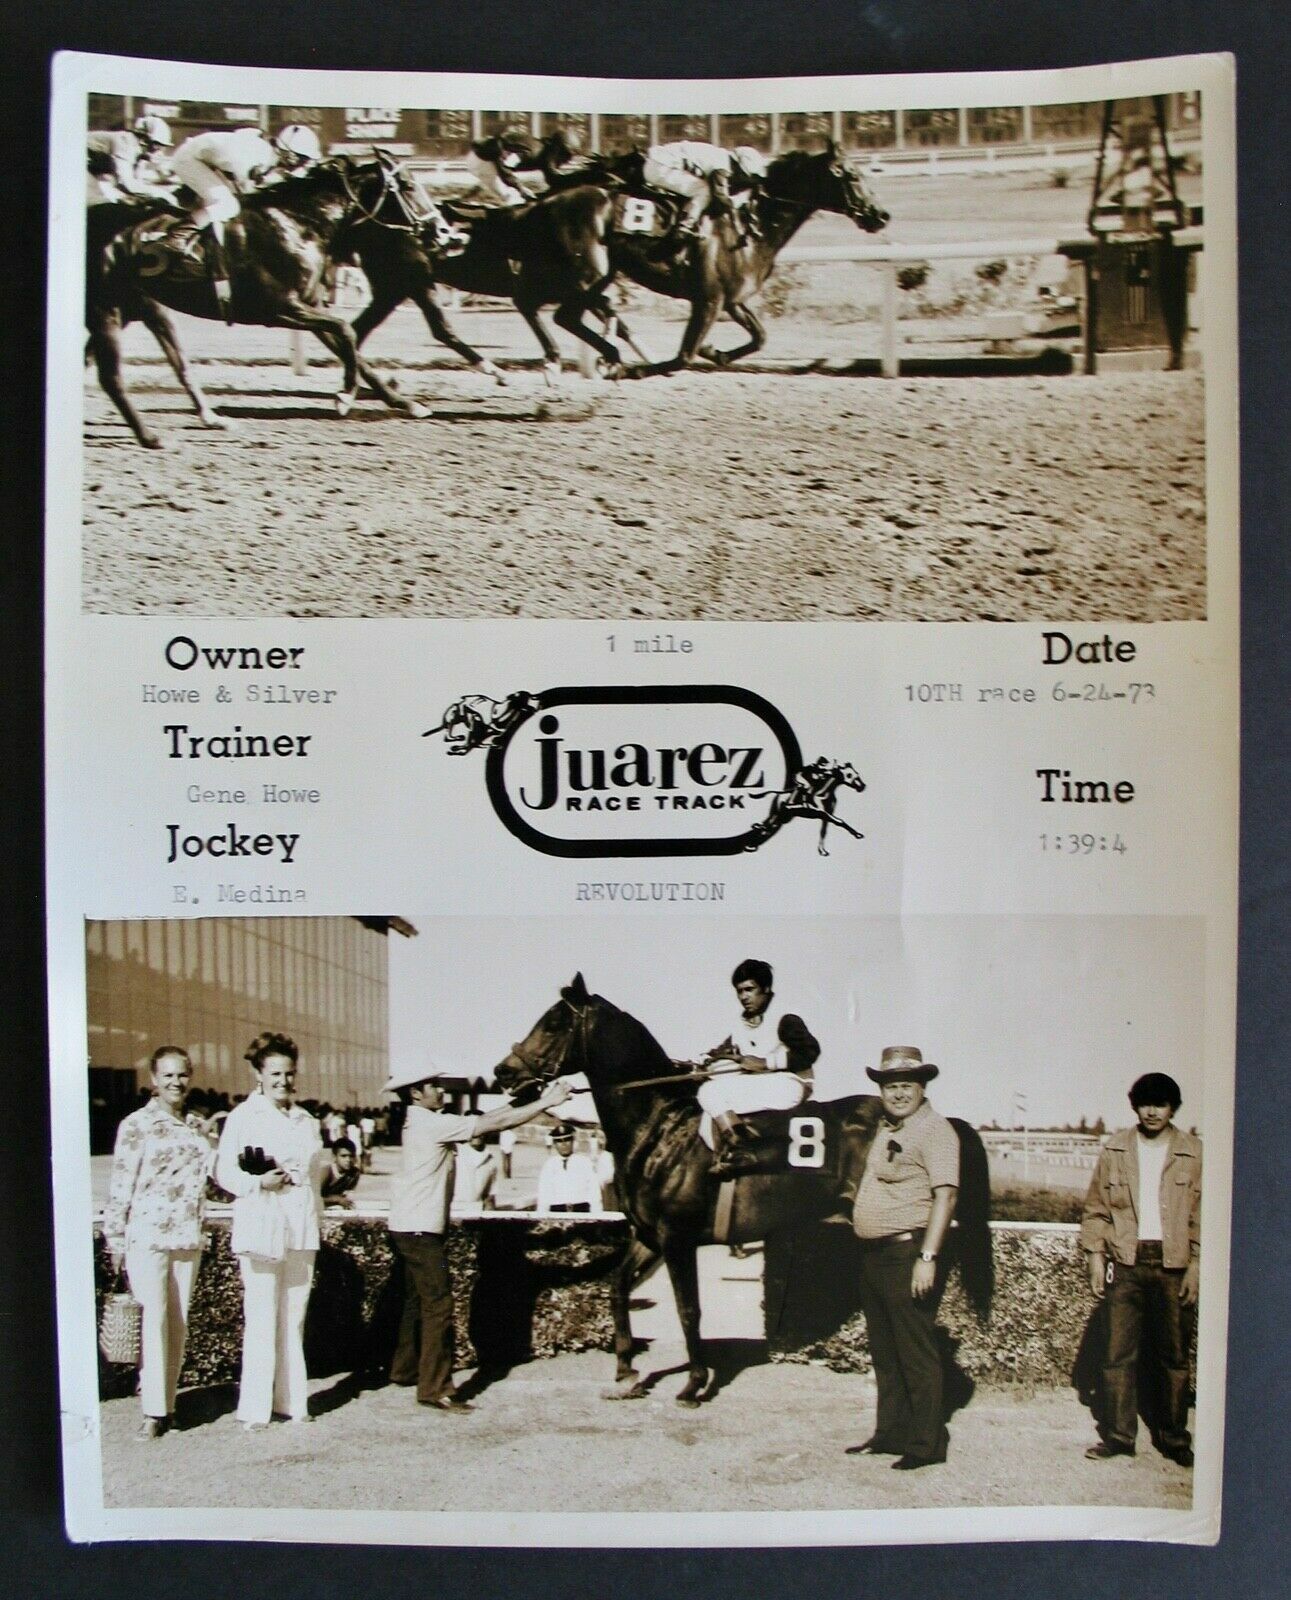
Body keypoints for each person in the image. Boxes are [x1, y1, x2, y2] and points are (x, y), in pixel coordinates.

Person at [385, 1064, 571, 1410]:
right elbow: (492, 1124)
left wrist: (527, 1098)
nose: (441, 1090)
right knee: (439, 1304)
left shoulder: (424, 1120)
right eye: (434, 1086)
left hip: (410, 1226)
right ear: (415, 1093)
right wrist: (546, 1102)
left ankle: (405, 1369)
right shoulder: (431, 1123)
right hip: (419, 1229)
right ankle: (435, 1389)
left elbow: (490, 1117)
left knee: (416, 1301)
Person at [844, 1046, 959, 1470]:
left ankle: (926, 1445)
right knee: (885, 1352)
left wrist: (927, 1257)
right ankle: (891, 1434)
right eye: (890, 1086)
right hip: (874, 1255)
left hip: (907, 1252)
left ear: (922, 1087)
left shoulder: (936, 1131)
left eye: (906, 1085)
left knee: (915, 1351)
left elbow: (946, 1197)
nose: (897, 1094)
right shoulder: (888, 1128)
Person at [1080, 1071, 1201, 1467]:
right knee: (1117, 1353)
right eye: (1145, 1103)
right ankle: (1119, 1437)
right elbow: (1096, 1210)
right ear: (1135, 1106)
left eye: (1161, 1104)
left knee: (1174, 1356)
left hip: (1173, 1265)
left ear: (1173, 1108)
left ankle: (1174, 1438)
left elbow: (1203, 1216)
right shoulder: (1115, 1149)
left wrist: (1196, 1265)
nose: (1152, 1111)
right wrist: (1095, 1257)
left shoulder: (1193, 1152)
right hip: (1125, 1262)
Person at [102, 1045, 217, 1439]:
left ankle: (169, 1406)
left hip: (187, 1236)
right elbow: (121, 1183)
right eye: (167, 1075)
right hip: (147, 1236)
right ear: (153, 1079)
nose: (176, 1082)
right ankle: (153, 1411)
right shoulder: (137, 1124)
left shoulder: (197, 1126)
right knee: (154, 1321)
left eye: (182, 1074)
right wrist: (116, 1239)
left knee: (178, 1324)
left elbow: (212, 1179)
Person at [215, 1032, 325, 1430]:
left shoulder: (307, 1120)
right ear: (258, 1074)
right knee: (262, 1316)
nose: (283, 1080)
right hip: (261, 1222)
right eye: (275, 1073)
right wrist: (257, 1183)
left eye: (289, 1073)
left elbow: (314, 1178)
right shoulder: (243, 1117)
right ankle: (255, 1409)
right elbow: (223, 1171)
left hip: (300, 1226)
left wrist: (316, 1216)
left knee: (294, 1316)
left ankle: (292, 1403)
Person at [166, 122, 322, 317]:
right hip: (189, 159)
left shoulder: (267, 155)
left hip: (209, 161)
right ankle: (178, 236)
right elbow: (247, 193)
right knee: (228, 205)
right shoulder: (254, 156)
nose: (303, 164)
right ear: (289, 154)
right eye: (303, 159)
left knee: (230, 205)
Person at [697, 958, 820, 1178]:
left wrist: (764, 1063)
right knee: (707, 1114)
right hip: (762, 1084)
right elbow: (723, 1052)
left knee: (709, 1093)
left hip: (791, 1085)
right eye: (739, 991)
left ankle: (741, 1150)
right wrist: (703, 1063)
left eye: (749, 989)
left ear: (766, 988)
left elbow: (810, 1052)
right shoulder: (741, 1024)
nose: (744, 997)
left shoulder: (785, 1018)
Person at [641, 140, 768, 243]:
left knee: (698, 188)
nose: (743, 179)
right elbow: (721, 201)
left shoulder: (721, 157)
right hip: (660, 167)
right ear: (738, 165)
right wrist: (742, 197)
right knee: (703, 190)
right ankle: (685, 226)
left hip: (660, 163)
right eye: (744, 175)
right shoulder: (721, 167)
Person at [86, 118, 173, 207]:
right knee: (99, 200)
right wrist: (162, 194)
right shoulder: (126, 143)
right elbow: (129, 185)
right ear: (144, 140)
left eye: (162, 146)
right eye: (157, 145)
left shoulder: (139, 149)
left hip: (92, 162)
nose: (159, 151)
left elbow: (136, 181)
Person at [535, 1124, 603, 1214]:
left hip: (581, 1211)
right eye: (559, 1141)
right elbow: (544, 1195)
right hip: (557, 1212)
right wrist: (541, 1215)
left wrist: (597, 1215)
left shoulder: (584, 1163)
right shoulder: (549, 1165)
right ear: (555, 1144)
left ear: (573, 1141)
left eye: (567, 1140)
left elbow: (594, 1192)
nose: (564, 1144)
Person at [455, 1134, 499, 1210]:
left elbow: (489, 1196)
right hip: (452, 1209)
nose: (477, 1135)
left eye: (482, 1131)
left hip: (476, 1210)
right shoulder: (455, 1153)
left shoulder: (490, 1159)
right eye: (474, 1131)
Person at [320, 1137, 362, 1208]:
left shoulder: (354, 1173)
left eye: (351, 1156)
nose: (348, 1160)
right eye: (343, 1156)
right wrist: (337, 1199)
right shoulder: (326, 1171)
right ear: (334, 1157)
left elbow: (346, 1196)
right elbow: (313, 1197)